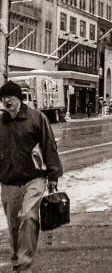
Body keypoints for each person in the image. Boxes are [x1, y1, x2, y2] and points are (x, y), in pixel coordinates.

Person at [0, 82, 62, 272]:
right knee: (14, 225)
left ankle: (24, 262)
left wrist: (53, 174)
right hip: (9, 180)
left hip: (33, 178)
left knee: (28, 216)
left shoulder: (36, 118)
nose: (5, 101)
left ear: (19, 98)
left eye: (9, 97)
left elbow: (48, 145)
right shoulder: (1, 123)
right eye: (2, 98)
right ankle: (18, 257)